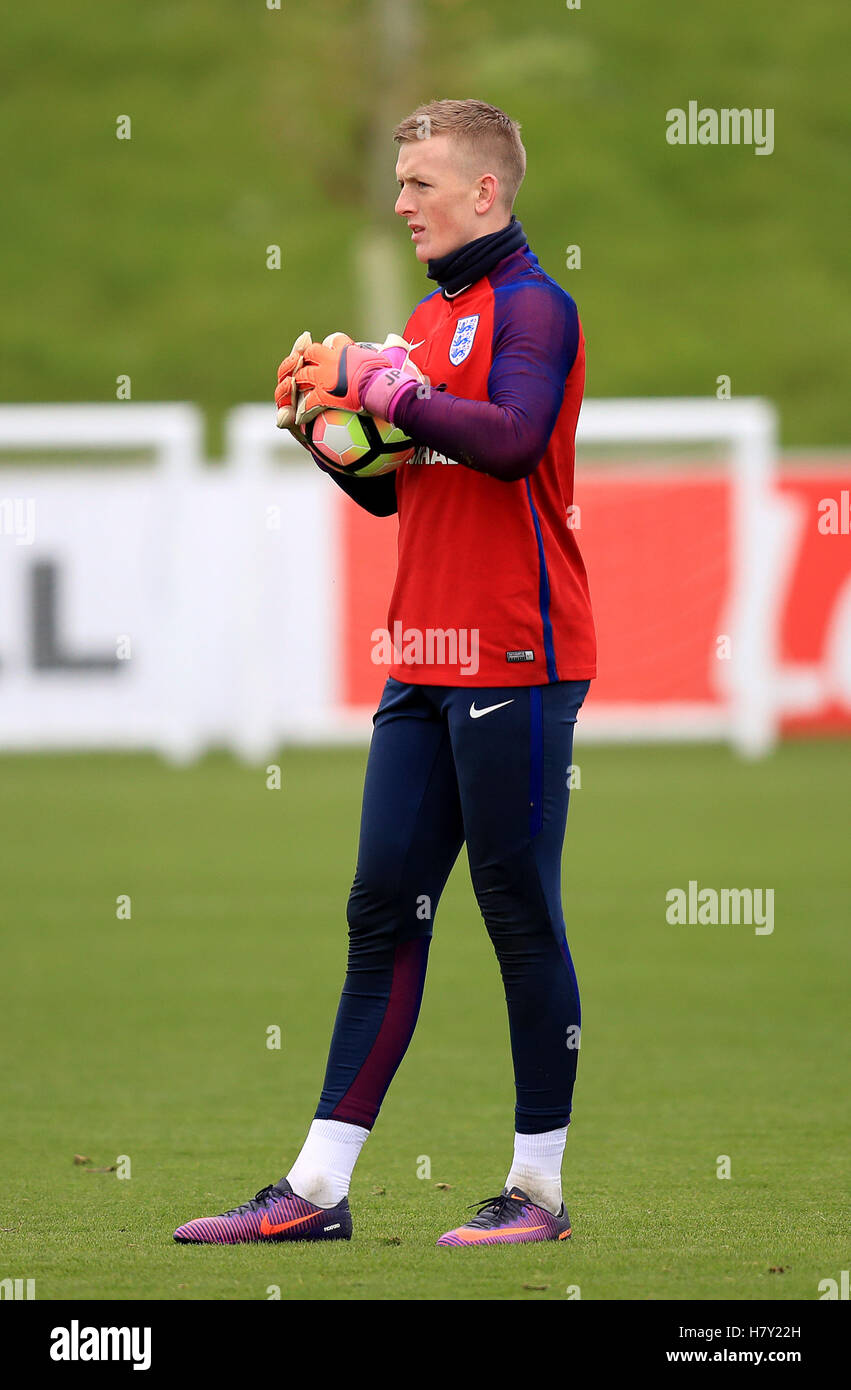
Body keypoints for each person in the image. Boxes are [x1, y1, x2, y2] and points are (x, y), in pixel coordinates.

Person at [174, 98, 596, 1249]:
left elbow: (507, 441)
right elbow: (400, 481)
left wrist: (386, 388)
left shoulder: (534, 310)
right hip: (423, 652)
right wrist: (322, 424)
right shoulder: (427, 313)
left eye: (419, 182)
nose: (399, 200)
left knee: (515, 911)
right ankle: (314, 1191)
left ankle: (538, 1194)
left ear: (485, 195)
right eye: (400, 180)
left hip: (517, 647)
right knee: (380, 908)